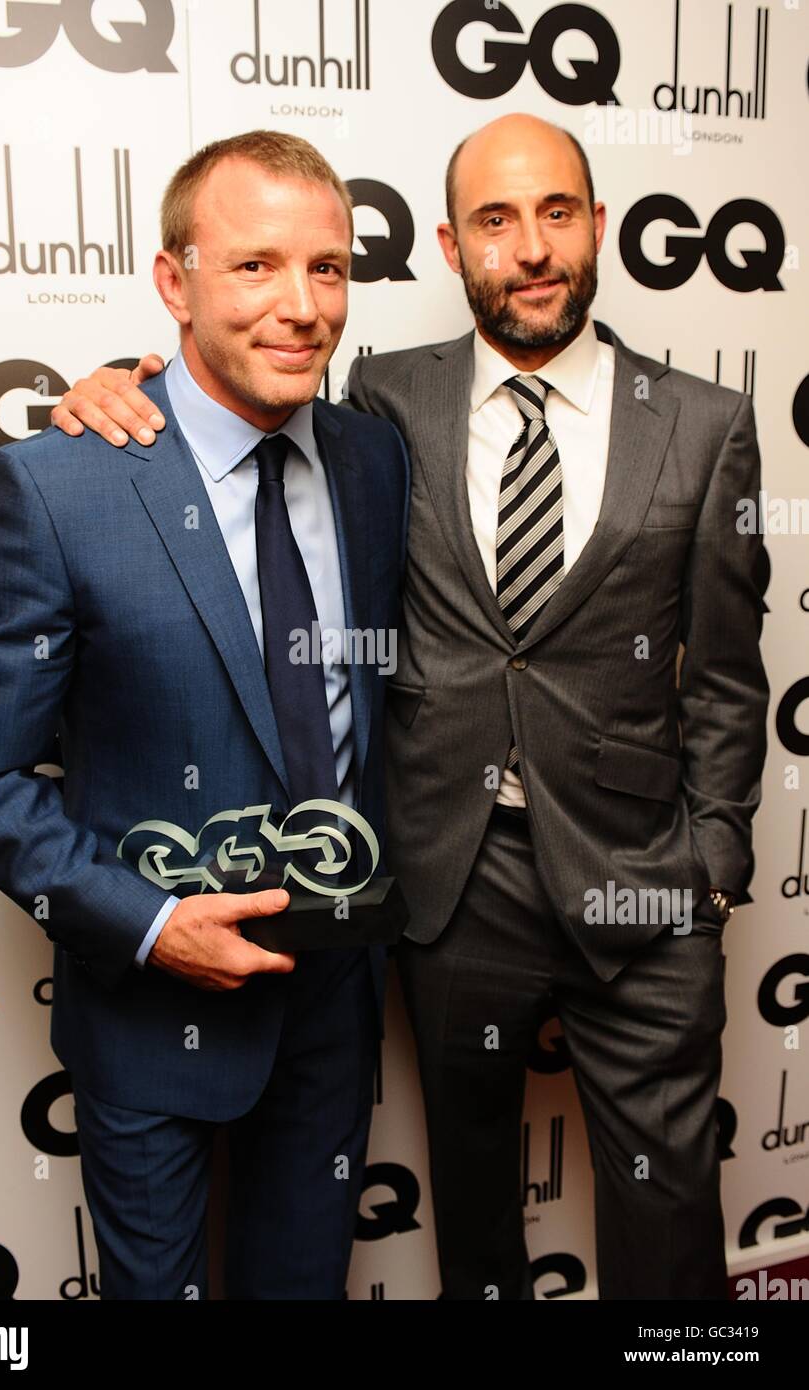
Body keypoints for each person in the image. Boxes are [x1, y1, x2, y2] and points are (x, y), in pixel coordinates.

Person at [50, 114, 768, 1300]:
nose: (528, 248)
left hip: (644, 884)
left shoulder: (700, 425)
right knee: (472, 1206)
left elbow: (732, 679)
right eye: (494, 219)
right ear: (448, 244)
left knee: (669, 1215)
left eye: (553, 213)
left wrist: (711, 866)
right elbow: (223, 403)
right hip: (449, 892)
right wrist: (120, 388)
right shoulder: (383, 405)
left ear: (596, 227)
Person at [0, 130, 409, 1300]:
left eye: (328, 268)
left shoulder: (374, 458)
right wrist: (150, 924)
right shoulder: (57, 486)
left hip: (335, 1000)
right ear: (171, 279)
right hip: (149, 1013)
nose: (301, 307)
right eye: (253, 267)